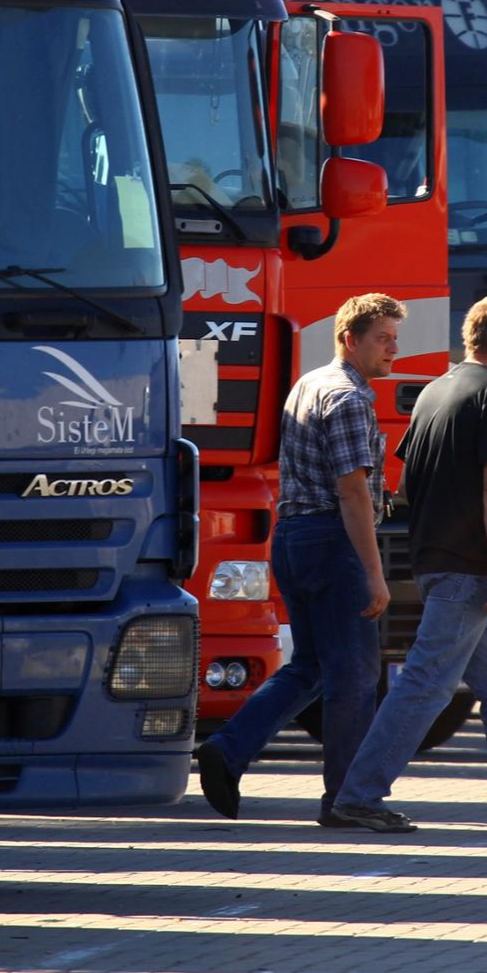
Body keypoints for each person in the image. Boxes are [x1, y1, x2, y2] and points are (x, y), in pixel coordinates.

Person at [330, 294, 487, 834]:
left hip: (434, 560)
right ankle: (360, 795)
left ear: (469, 339)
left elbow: (410, 483)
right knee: (427, 684)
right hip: (469, 569)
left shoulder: (435, 390)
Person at [194, 293, 404, 823]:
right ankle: (349, 801)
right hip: (334, 540)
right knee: (355, 677)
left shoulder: (308, 384)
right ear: (349, 339)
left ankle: (227, 748)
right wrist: (375, 574)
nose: (393, 350)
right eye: (383, 339)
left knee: (309, 666)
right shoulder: (350, 398)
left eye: (395, 339)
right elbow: (353, 492)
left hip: (291, 537)